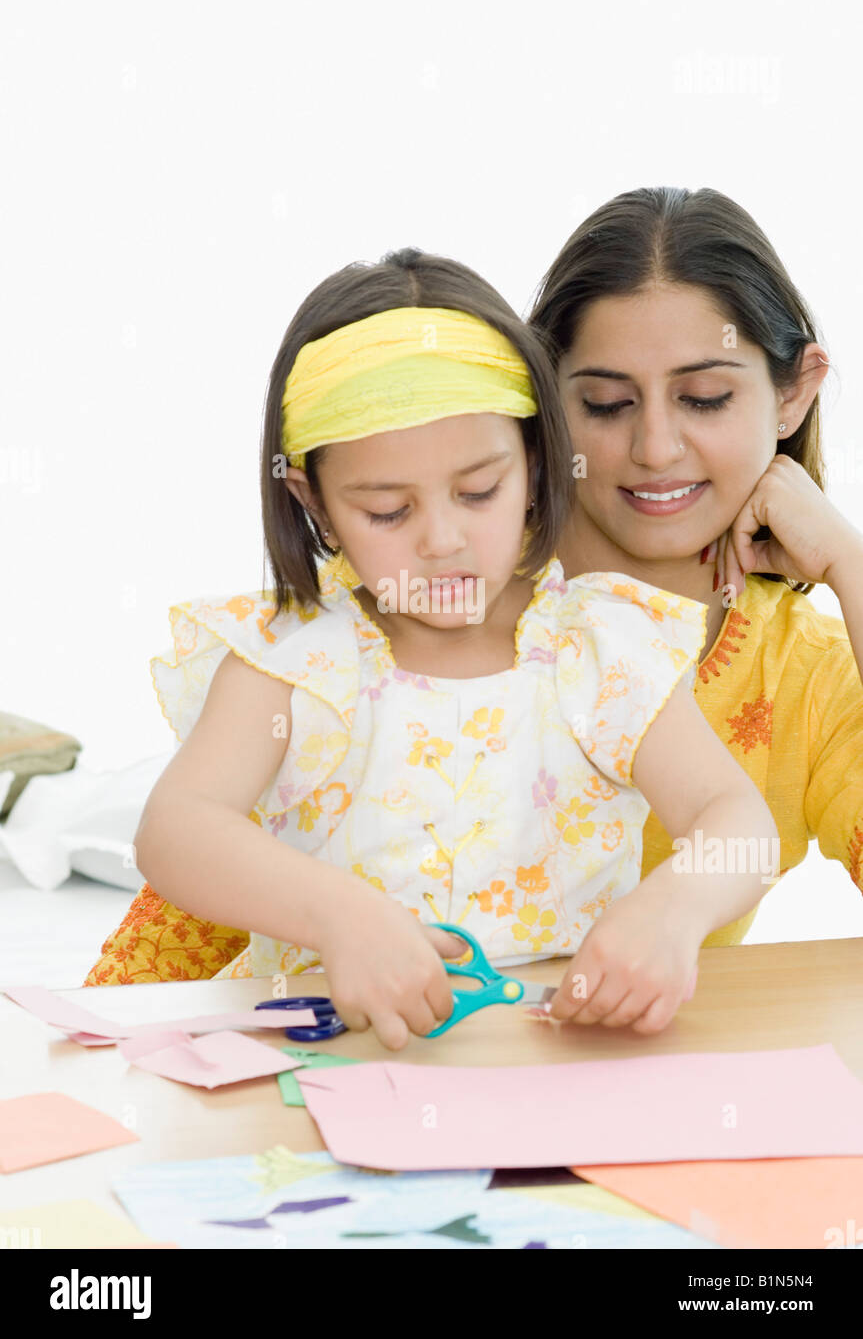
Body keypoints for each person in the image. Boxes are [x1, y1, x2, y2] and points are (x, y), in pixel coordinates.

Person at [85, 247, 777, 1048]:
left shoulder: (599, 645)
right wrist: (340, 916)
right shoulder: (290, 658)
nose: (442, 540)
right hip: (330, 1066)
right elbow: (175, 831)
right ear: (313, 500)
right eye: (386, 510)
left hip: (559, 1061)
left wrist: (672, 910)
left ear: (534, 461)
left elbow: (734, 820)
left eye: (478, 491)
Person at [527, 185, 863, 947]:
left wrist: (851, 561)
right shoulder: (437, 595)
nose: (654, 448)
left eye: (704, 398)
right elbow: (196, 933)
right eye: (608, 404)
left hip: (658, 1063)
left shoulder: (804, 676)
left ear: (792, 394)